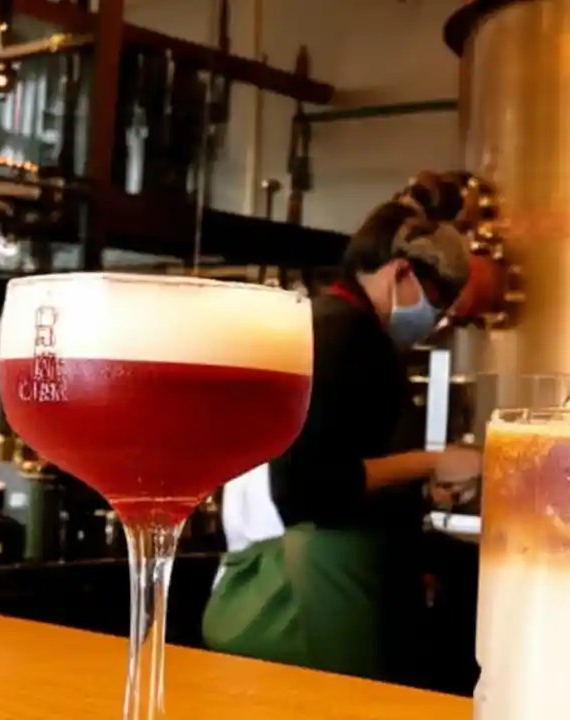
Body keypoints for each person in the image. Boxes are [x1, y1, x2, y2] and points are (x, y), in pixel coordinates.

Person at [202, 173, 483, 686]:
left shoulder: (324, 321)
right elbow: (312, 485)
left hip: (270, 574)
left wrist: (421, 487)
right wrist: (433, 461)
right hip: (299, 588)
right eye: (437, 300)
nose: (437, 317)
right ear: (401, 272)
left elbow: (340, 458)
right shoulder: (348, 336)